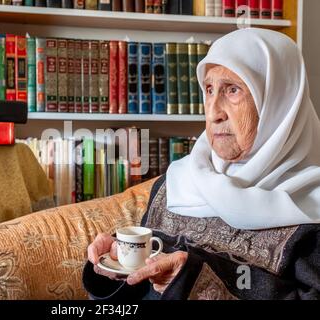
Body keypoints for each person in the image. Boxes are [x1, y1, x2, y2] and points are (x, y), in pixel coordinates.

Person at [82, 28, 320, 300]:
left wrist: (196, 280)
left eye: (233, 90)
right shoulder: (176, 184)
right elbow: (141, 289)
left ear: (280, 102)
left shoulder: (310, 209)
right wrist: (117, 265)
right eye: (209, 90)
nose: (214, 112)